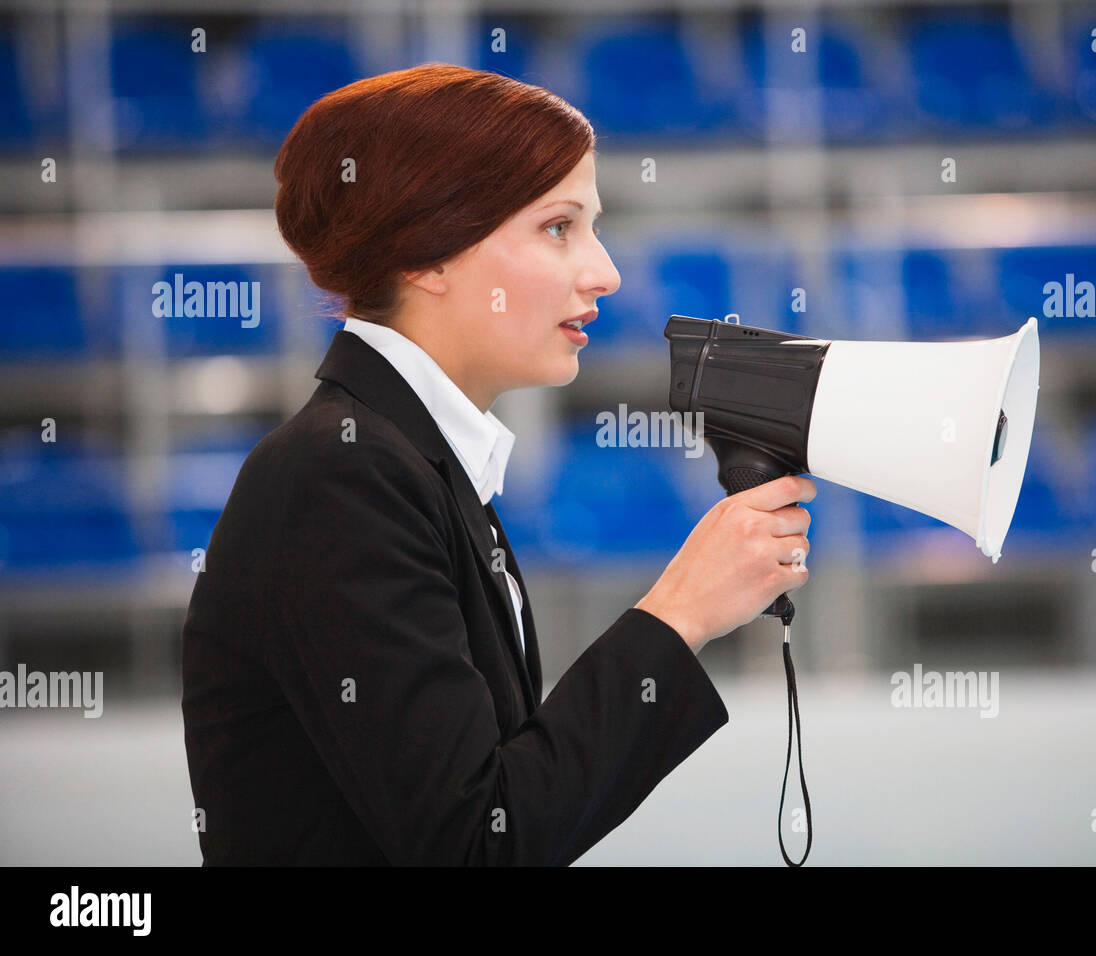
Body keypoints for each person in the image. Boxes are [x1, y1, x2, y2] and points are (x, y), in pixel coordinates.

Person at [181, 62, 815, 866]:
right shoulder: (341, 475)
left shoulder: (402, 460)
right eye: (559, 227)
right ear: (426, 254)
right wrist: (679, 614)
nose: (606, 272)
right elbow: (476, 841)